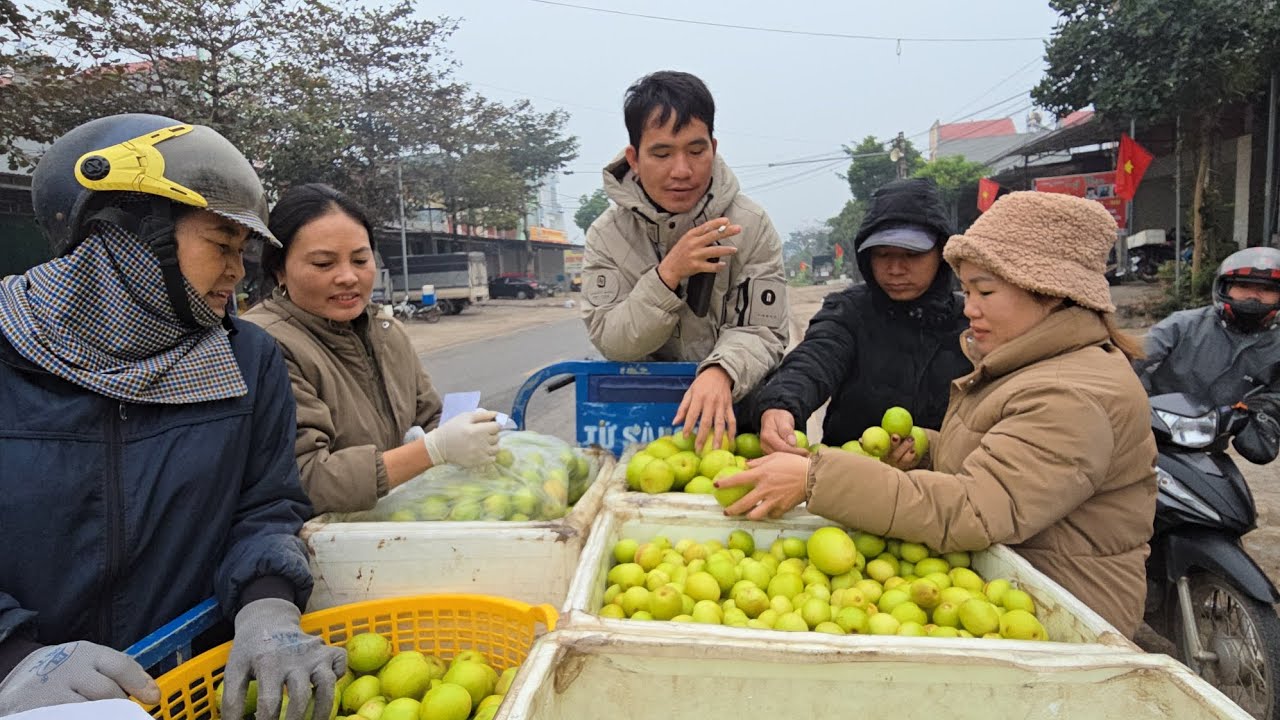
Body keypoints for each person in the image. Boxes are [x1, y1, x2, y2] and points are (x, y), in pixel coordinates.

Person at [0, 114, 343, 720]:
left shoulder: (246, 358)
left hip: (188, 688)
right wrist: (12, 655)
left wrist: (268, 600)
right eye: (221, 245)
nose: (238, 273)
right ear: (127, 233)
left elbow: (265, 507)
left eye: (244, 251)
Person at [718, 191, 1158, 637]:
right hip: (995, 585)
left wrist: (817, 477)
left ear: (1049, 293)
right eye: (968, 290)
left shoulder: (1070, 392)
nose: (971, 308)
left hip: (1066, 615)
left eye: (985, 290)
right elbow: (1006, 457)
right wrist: (929, 446)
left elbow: (979, 507)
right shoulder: (1026, 355)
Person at [244, 184, 500, 514]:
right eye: (324, 264)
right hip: (318, 548)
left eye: (361, 259)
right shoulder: (263, 344)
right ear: (279, 270)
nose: (348, 277)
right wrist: (433, 451)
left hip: (390, 526)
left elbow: (430, 416)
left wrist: (470, 434)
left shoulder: (386, 331)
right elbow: (304, 479)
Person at [580, 70, 788, 450]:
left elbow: (764, 331)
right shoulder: (606, 235)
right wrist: (667, 274)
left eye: (696, 151)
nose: (682, 171)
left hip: (737, 415)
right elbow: (613, 340)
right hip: (640, 426)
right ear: (635, 158)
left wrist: (721, 370)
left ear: (713, 146)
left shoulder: (750, 225)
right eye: (661, 153)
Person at [752, 178, 971, 455]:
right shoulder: (848, 312)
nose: (895, 268)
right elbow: (815, 358)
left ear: (941, 253)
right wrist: (780, 404)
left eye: (911, 254)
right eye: (882, 254)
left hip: (940, 488)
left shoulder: (973, 324)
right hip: (845, 481)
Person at [1135, 247, 1280, 464]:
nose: (1253, 295)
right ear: (1224, 288)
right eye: (1242, 285)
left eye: (1266, 289)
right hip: (1146, 435)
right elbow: (1132, 357)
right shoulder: (1182, 324)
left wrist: (1257, 413)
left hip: (1207, 449)